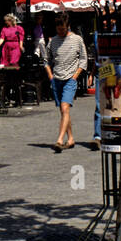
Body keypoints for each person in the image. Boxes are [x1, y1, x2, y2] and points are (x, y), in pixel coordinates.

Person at [42, 15, 87, 152]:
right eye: (58, 29)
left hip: (70, 79)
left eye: (63, 29)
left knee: (65, 107)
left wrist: (75, 76)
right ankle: (71, 138)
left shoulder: (77, 39)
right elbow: (46, 60)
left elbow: (84, 60)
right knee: (63, 111)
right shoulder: (53, 41)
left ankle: (59, 140)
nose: (60, 32)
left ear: (68, 27)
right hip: (56, 79)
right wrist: (50, 76)